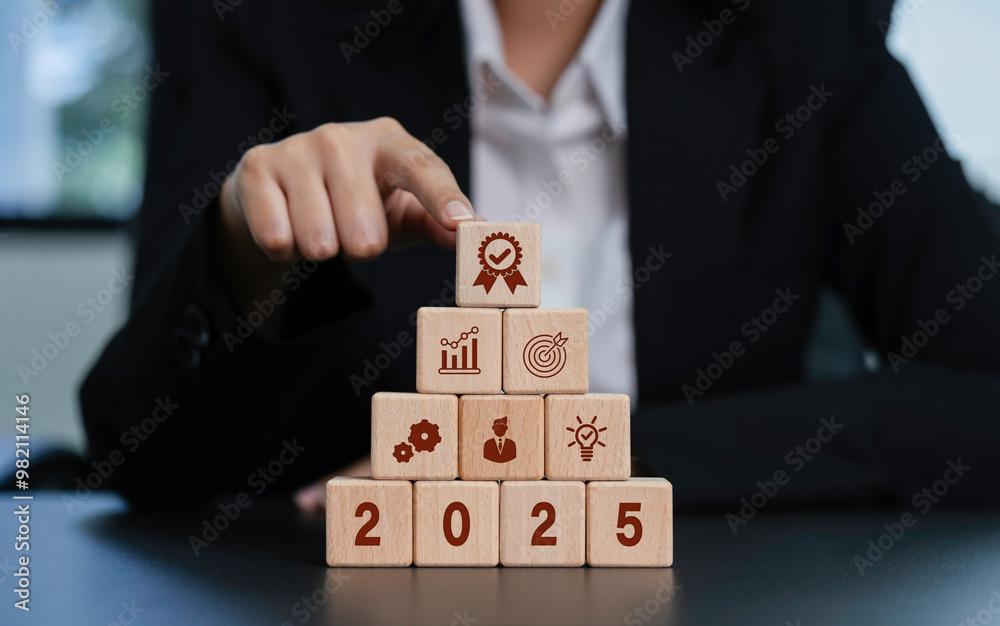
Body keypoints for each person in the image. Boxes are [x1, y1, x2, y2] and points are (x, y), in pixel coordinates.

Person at [81, 0, 1000, 512]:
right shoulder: (260, 23)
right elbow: (144, 463)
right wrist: (247, 265)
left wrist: (580, 453)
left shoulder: (805, 36)